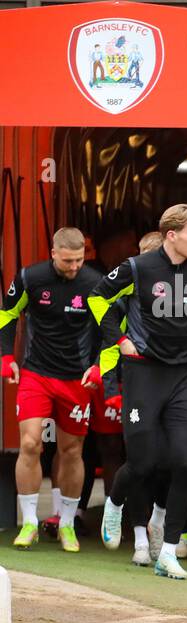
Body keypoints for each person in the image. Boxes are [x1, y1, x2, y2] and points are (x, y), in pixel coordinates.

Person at [85, 204, 187, 580]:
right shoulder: (138, 268)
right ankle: (114, 502)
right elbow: (98, 298)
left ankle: (168, 551)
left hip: (184, 375)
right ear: (172, 235)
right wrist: (120, 340)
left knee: (186, 462)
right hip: (143, 372)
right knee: (143, 463)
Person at [0, 227, 103, 551]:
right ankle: (30, 522)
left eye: (79, 260)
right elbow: (7, 314)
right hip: (36, 374)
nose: (74, 267)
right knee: (30, 443)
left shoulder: (94, 282)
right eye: (68, 260)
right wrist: (6, 356)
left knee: (71, 450)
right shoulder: (30, 277)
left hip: (76, 377)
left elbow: (109, 325)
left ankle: (67, 523)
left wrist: (100, 364)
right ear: (54, 253)